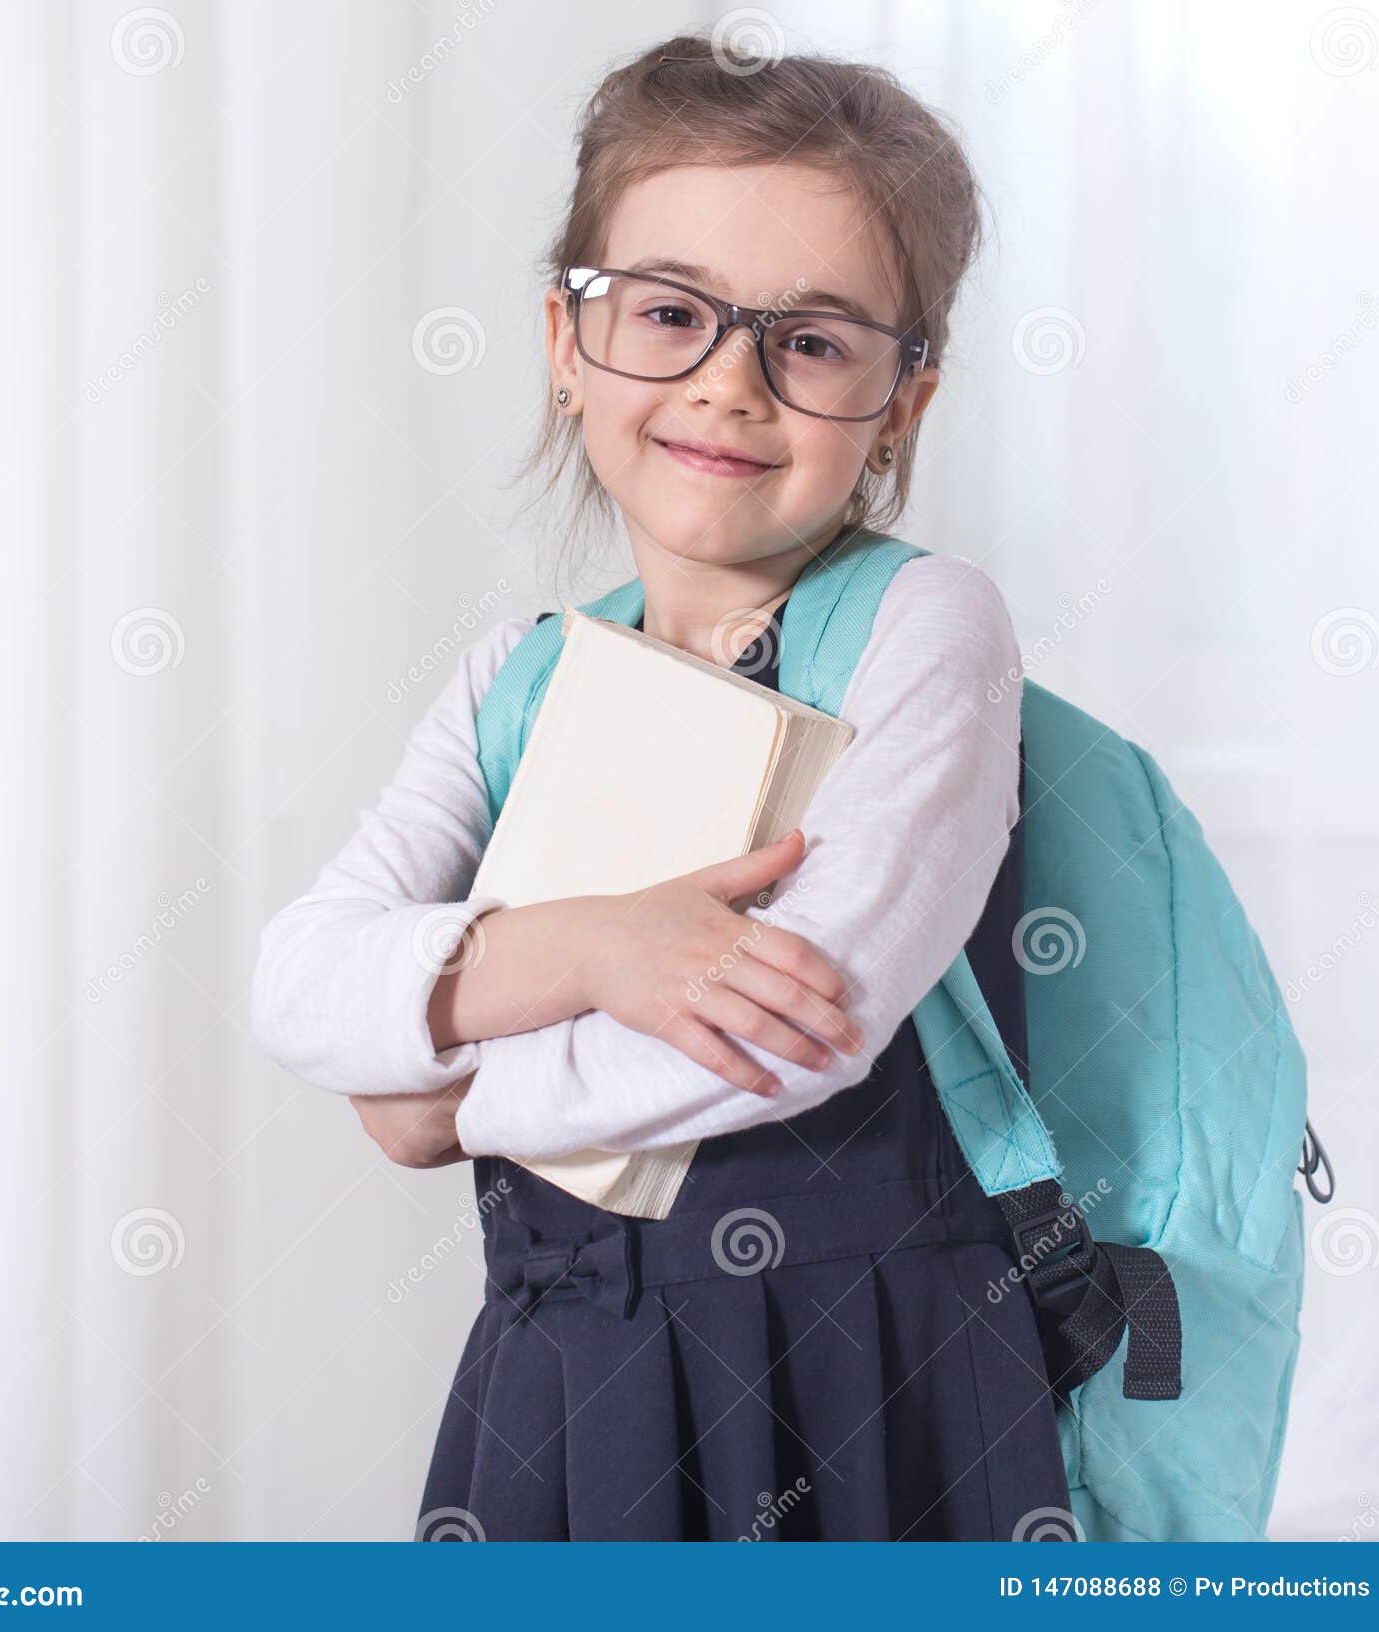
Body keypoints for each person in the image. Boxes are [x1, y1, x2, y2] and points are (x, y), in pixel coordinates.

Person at [251, 32, 1071, 1541]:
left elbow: (795, 1022)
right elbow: (298, 977)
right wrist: (586, 950)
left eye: (813, 342)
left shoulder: (925, 627)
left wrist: (439, 1085)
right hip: (570, 1372)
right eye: (671, 314)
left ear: (904, 401)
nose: (729, 385)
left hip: (865, 1372)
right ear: (569, 348)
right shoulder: (517, 674)